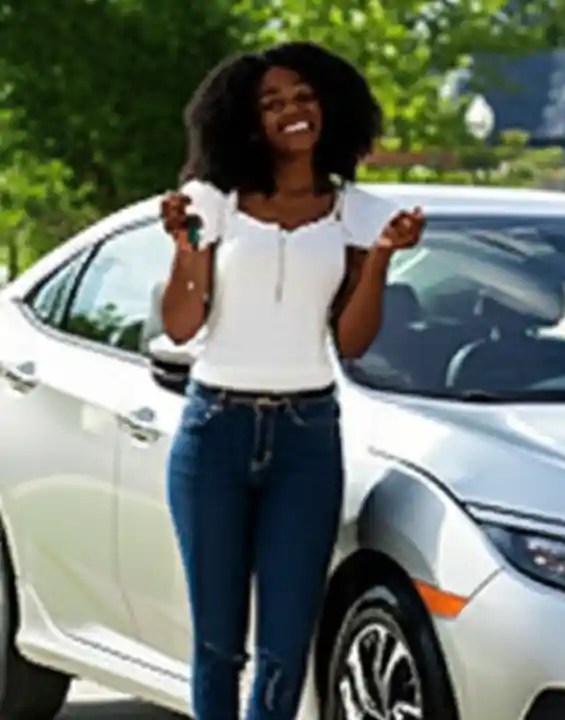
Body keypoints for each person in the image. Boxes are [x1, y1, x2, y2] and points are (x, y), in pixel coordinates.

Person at [158, 41, 424, 720]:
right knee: (219, 645)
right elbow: (183, 326)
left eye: (303, 96)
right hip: (214, 433)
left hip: (307, 438)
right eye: (271, 103)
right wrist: (187, 250)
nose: (291, 112)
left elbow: (353, 339)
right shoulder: (210, 201)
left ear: (330, 106)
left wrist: (381, 261)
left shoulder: (360, 213)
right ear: (248, 122)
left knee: (285, 646)